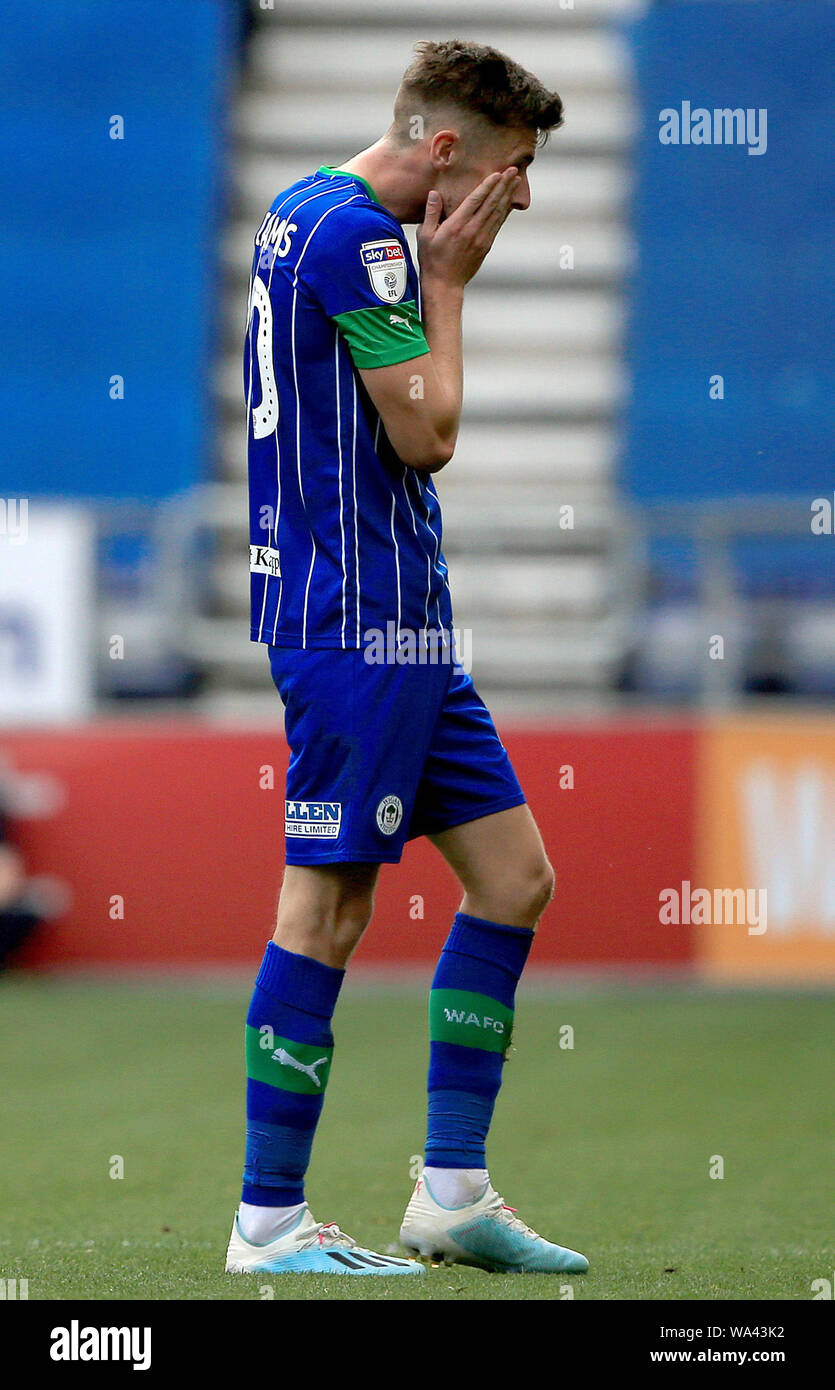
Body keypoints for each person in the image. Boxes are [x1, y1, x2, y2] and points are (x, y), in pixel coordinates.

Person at [225, 38, 589, 1278]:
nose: (520, 196)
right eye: (511, 170)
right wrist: (452, 284)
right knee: (325, 909)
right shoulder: (367, 243)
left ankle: (450, 1192)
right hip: (350, 620)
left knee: (514, 875)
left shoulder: (298, 206)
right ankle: (267, 1220)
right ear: (447, 153)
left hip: (402, 623)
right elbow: (428, 432)